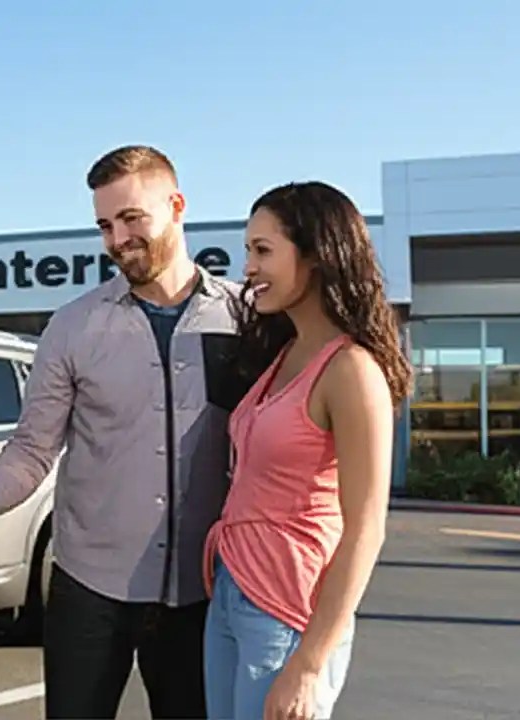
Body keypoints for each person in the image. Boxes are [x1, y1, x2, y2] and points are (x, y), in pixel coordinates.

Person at [0, 145, 248, 719]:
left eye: (132, 219)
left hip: (203, 592)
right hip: (89, 590)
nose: (117, 239)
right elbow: (32, 447)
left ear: (177, 206)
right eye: (105, 225)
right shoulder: (72, 326)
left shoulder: (243, 317)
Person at [201, 181, 412, 720]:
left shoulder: (352, 371)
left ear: (318, 257)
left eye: (263, 250)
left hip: (288, 613)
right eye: (248, 250)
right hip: (231, 594)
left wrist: (311, 663)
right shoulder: (283, 353)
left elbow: (366, 529)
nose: (247, 267)